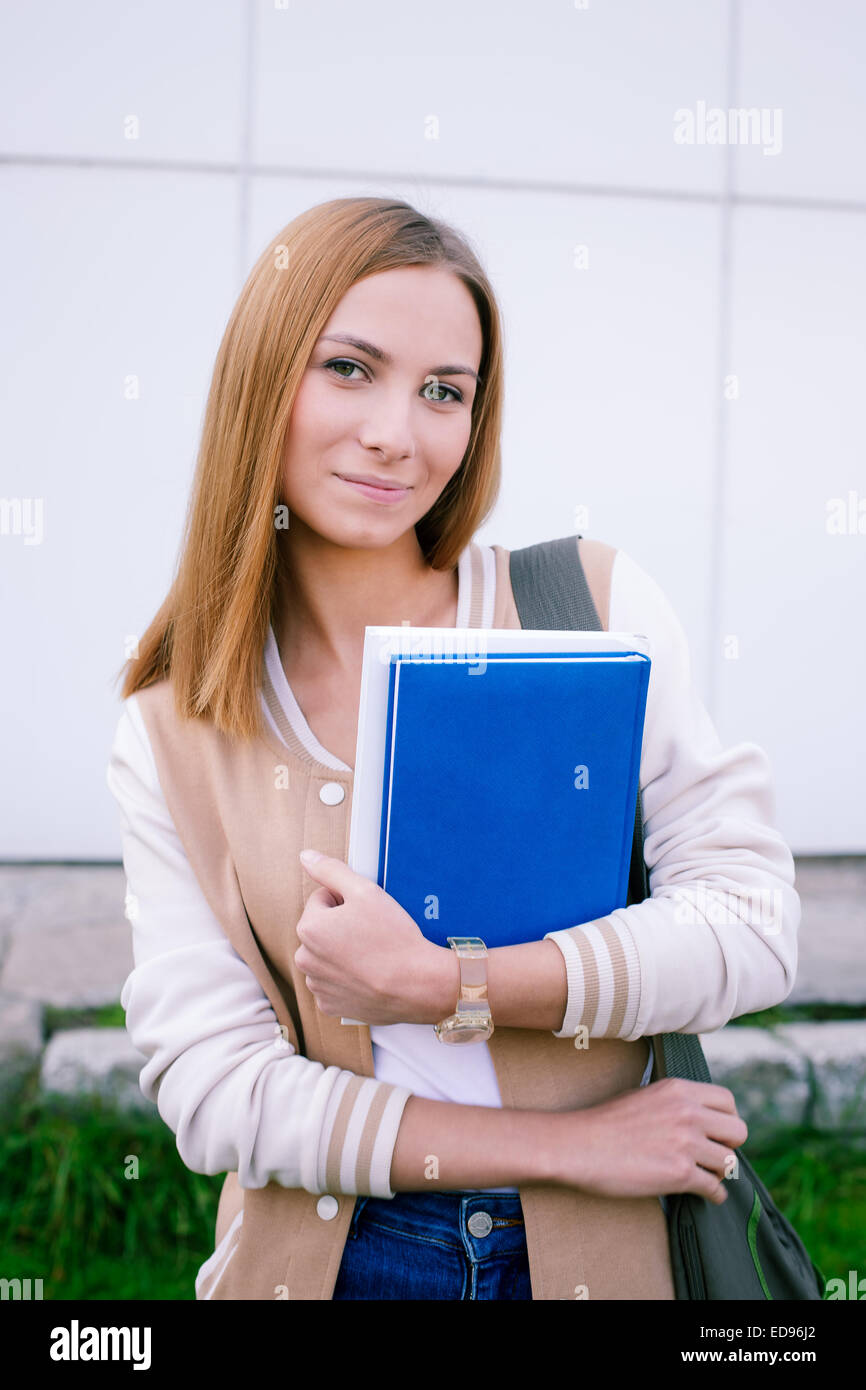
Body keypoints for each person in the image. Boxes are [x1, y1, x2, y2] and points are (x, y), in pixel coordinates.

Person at [106, 195, 799, 1301]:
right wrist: (571, 1145)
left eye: (444, 392)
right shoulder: (171, 724)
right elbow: (215, 1090)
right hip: (341, 1261)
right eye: (348, 369)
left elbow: (751, 927)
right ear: (260, 381)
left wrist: (445, 984)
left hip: (608, 1255)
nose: (397, 431)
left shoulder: (584, 606)